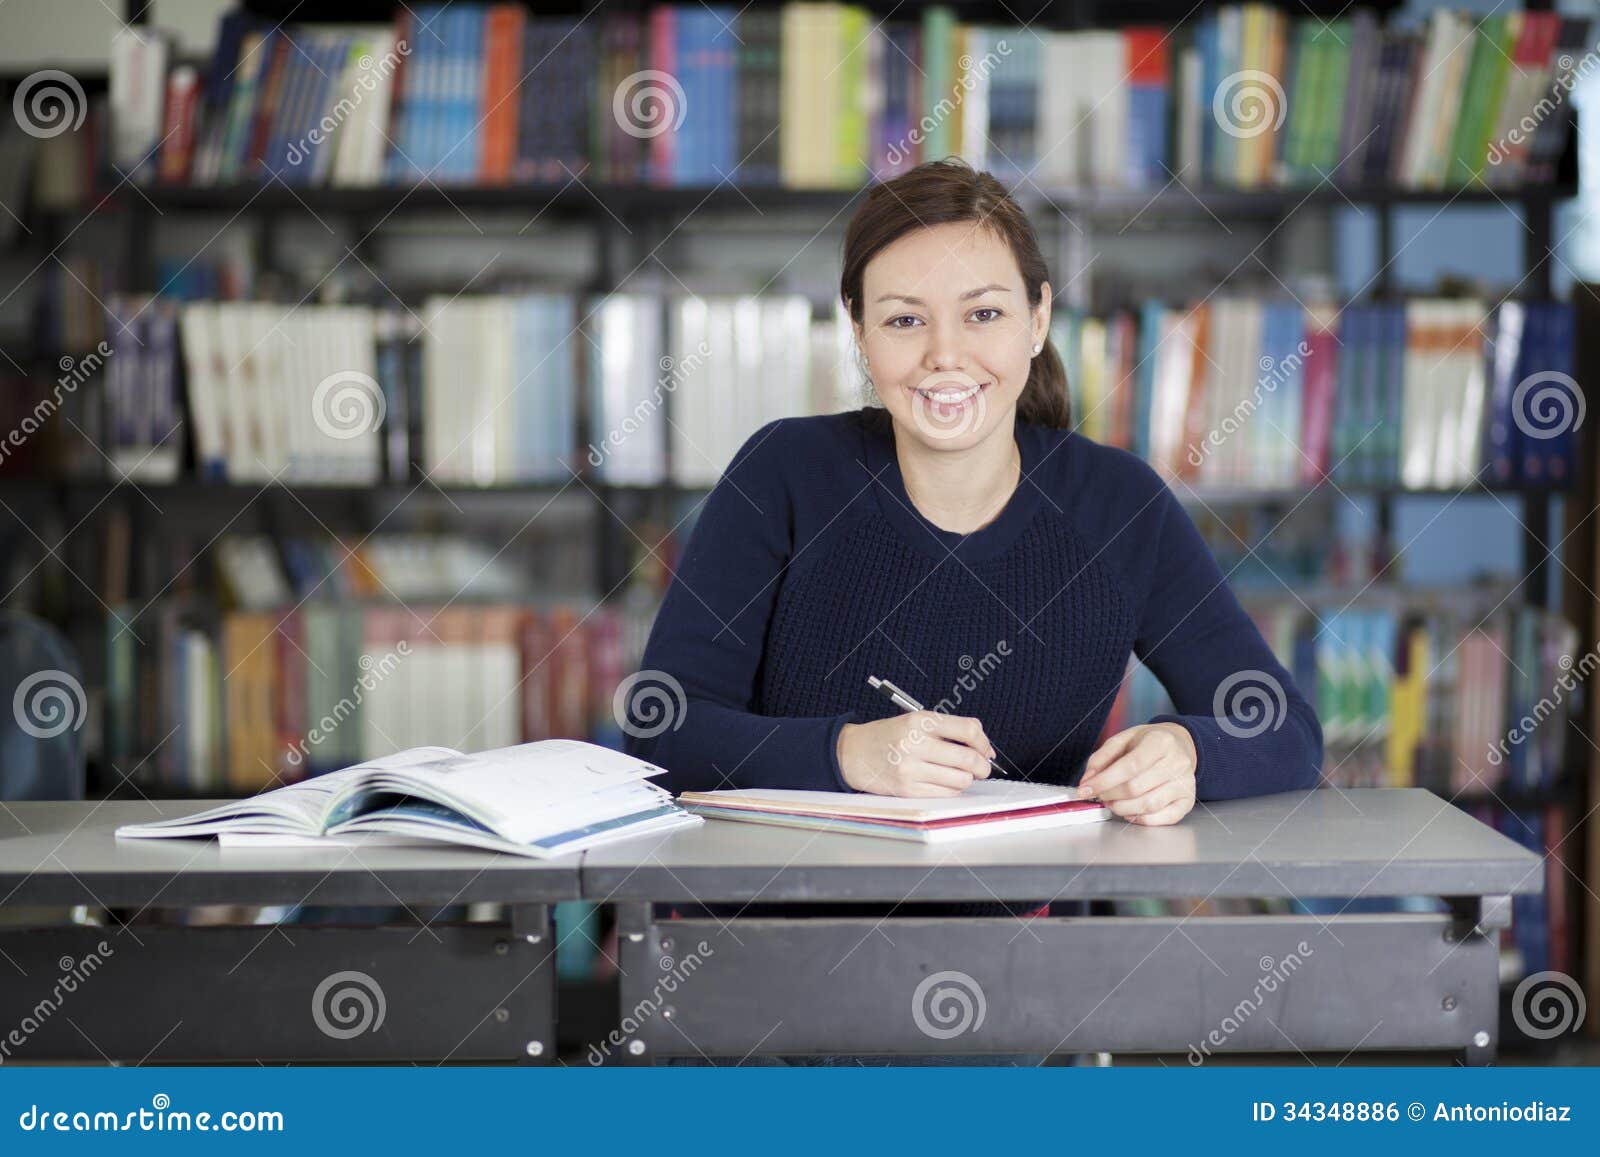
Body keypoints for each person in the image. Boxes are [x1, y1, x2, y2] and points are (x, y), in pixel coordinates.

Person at [623, 157, 1323, 820]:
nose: (945, 355)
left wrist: (1190, 752)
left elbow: (1284, 727)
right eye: (905, 319)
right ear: (861, 334)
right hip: (777, 923)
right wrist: (846, 753)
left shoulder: (1117, 504)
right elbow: (660, 727)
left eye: (983, 313)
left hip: (1019, 931)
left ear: (1038, 320)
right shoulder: (784, 472)